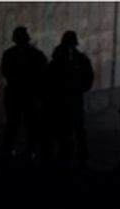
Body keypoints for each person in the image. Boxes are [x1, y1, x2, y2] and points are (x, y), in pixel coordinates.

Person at [43, 31, 94, 168]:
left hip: (61, 101)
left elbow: (47, 79)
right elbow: (88, 79)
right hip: (68, 100)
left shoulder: (61, 58)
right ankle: (75, 159)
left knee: (61, 132)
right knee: (73, 131)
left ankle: (62, 159)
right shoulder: (79, 59)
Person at [1, 26, 48, 159]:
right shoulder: (36, 54)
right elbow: (43, 73)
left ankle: (10, 149)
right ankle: (31, 149)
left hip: (15, 93)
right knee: (31, 123)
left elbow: (6, 72)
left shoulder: (9, 54)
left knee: (13, 123)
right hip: (30, 94)